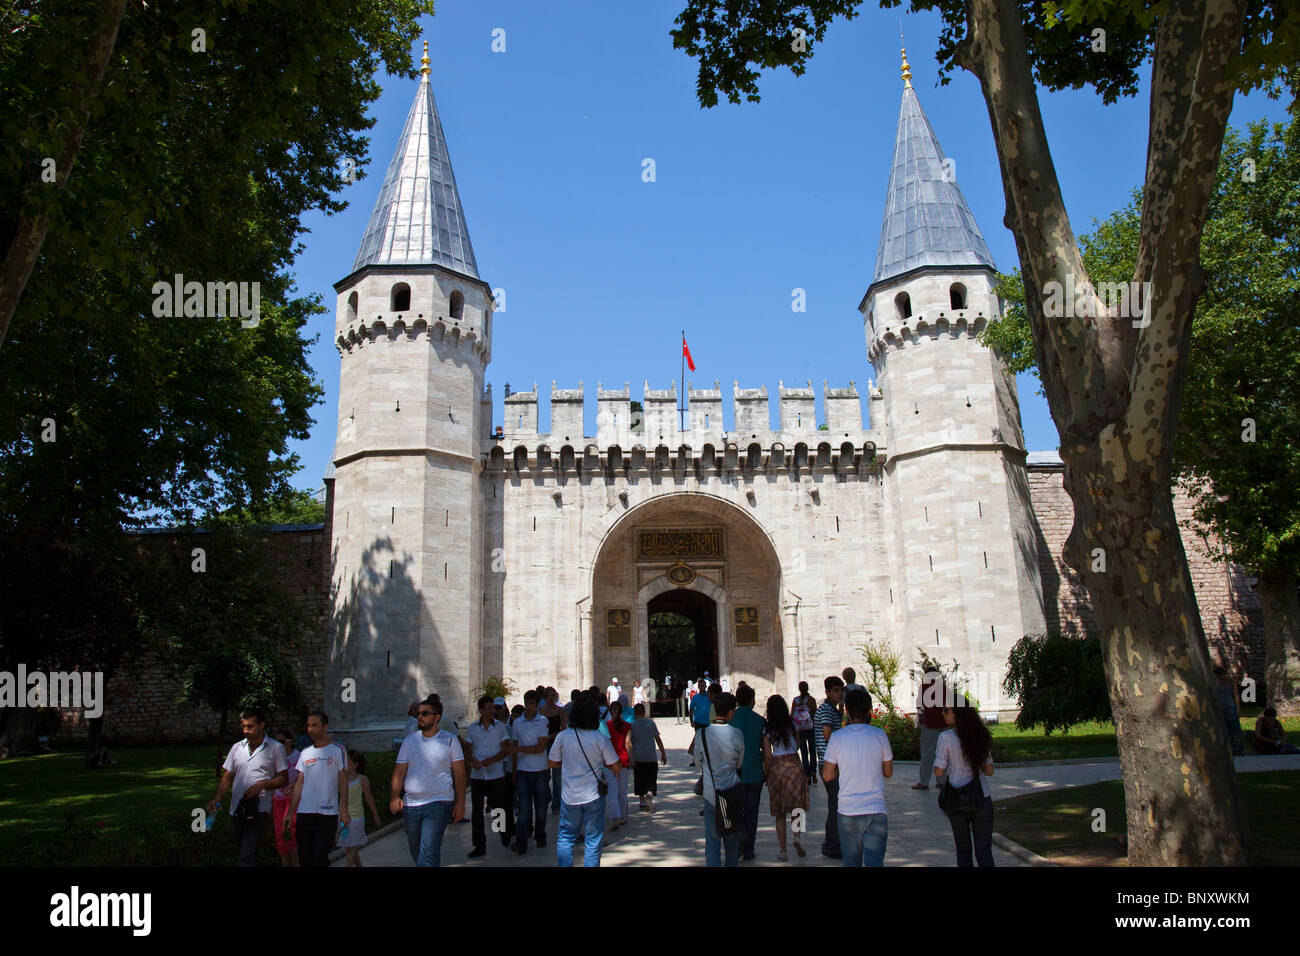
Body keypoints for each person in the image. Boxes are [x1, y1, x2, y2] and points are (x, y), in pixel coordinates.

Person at [390, 696, 467, 867]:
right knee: (417, 852)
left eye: (425, 713)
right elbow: (399, 770)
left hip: (439, 803)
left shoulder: (450, 740)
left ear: (437, 717)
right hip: (411, 805)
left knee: (429, 852)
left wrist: (460, 803)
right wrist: (395, 796)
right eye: (418, 713)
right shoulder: (410, 741)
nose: (420, 717)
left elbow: (460, 774)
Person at [207, 709, 288, 867]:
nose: (246, 731)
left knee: (246, 856)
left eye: (250, 726)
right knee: (244, 852)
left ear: (261, 725)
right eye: (244, 726)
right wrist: (216, 800)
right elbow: (227, 777)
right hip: (237, 808)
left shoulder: (275, 748)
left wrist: (262, 785)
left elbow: (283, 778)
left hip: (259, 809)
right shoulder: (237, 748)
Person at [822, 688, 893, 867]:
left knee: (851, 862)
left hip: (848, 811)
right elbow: (888, 772)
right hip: (876, 809)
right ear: (869, 711)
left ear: (846, 710)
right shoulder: (879, 735)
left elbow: (827, 775)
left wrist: (843, 768)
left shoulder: (837, 738)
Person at [548, 695, 621, 867]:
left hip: (570, 795)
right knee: (593, 842)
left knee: (565, 838)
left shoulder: (563, 737)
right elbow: (616, 765)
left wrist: (568, 762)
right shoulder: (599, 738)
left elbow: (552, 762)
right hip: (593, 795)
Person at [934, 698, 995, 866]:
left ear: (957, 713)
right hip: (981, 796)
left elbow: (938, 770)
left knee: (963, 850)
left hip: (956, 798)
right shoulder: (980, 734)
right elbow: (989, 770)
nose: (943, 713)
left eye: (946, 710)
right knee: (984, 852)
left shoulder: (945, 737)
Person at [287, 710, 349, 869]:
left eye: (314, 725)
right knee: (305, 857)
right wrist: (290, 813)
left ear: (325, 727)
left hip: (327, 813)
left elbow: (343, 781)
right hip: (304, 813)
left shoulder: (338, 750)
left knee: (319, 855)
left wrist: (344, 810)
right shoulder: (305, 753)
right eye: (308, 725)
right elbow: (300, 783)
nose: (310, 729)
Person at [698, 691, 744, 867]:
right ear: (731, 712)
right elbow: (739, 763)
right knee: (732, 842)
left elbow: (698, 761)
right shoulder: (737, 734)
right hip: (731, 793)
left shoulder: (702, 735)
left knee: (712, 842)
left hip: (711, 795)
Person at [762, 694, 808, 861]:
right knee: (798, 807)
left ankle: (783, 851)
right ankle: (797, 836)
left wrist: (766, 774)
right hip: (794, 764)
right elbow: (797, 745)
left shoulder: (767, 728)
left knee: (780, 812)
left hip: (777, 766)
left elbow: (768, 755)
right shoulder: (792, 724)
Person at [464, 694, 511, 857]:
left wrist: (493, 760)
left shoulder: (500, 727)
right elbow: (467, 749)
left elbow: (506, 748)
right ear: (482, 710)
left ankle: (503, 834)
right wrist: (473, 761)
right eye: (489, 708)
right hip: (478, 776)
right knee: (477, 812)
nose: (493, 711)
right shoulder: (472, 728)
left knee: (499, 808)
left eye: (493, 708)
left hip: (495, 775)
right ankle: (479, 845)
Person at [512, 689, 552, 853]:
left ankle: (540, 836)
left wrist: (519, 749)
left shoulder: (543, 721)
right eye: (526, 702)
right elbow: (514, 748)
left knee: (541, 807)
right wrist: (514, 770)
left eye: (532, 703)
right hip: (523, 770)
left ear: (537, 705)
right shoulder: (517, 723)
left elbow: (540, 747)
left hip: (540, 770)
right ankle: (521, 842)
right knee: (524, 808)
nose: (529, 706)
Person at [730, 682, 766, 860]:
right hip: (754, 772)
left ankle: (737, 846)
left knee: (737, 811)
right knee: (752, 812)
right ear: (752, 700)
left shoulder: (731, 720)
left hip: (735, 774)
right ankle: (749, 849)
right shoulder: (760, 720)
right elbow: (766, 749)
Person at [815, 676, 846, 858]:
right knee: (836, 804)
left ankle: (830, 843)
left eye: (841, 690)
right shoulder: (826, 711)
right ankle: (833, 845)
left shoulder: (831, 709)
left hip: (830, 762)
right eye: (836, 690)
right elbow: (828, 735)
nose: (840, 693)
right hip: (830, 763)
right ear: (827, 692)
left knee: (834, 803)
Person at [339, 749, 382, 866]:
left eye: (347, 762)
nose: (344, 764)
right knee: (350, 846)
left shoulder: (362, 779)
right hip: (343, 818)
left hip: (356, 818)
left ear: (355, 764)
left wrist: (375, 814)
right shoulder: (341, 779)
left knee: (350, 849)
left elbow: (369, 798)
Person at [913, 667, 947, 790]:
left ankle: (924, 781)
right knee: (943, 754)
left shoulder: (924, 688)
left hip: (930, 724)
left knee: (927, 754)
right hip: (943, 725)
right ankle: (942, 780)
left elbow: (919, 705)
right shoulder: (944, 688)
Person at [630, 702, 667, 812]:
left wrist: (630, 758)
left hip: (638, 757)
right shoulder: (651, 723)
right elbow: (658, 739)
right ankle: (649, 794)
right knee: (651, 779)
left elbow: (630, 743)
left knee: (639, 779)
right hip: (651, 756)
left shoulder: (632, 725)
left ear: (635, 713)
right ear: (644, 712)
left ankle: (642, 801)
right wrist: (663, 753)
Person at [272, 730, 301, 866]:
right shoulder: (275, 758)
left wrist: (295, 785)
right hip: (278, 799)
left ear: (290, 742)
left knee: (289, 830)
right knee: (279, 833)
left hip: (293, 799)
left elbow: (306, 778)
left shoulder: (299, 756)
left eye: (281, 741)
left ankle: (295, 863)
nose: (278, 745)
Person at [605, 698, 633, 828]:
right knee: (623, 790)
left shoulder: (607, 726)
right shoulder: (627, 726)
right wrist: (631, 759)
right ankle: (622, 815)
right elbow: (628, 743)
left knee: (612, 790)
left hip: (610, 761)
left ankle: (615, 816)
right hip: (623, 760)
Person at [541, 687, 568, 814]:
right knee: (544, 775)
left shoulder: (560, 710)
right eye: (548, 695)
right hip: (544, 744)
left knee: (557, 778)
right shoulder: (541, 711)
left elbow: (564, 728)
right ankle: (547, 797)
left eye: (553, 695)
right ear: (545, 697)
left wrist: (551, 737)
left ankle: (556, 806)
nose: (551, 698)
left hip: (556, 743)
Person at [1213, 665, 1246, 755]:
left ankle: (1238, 747)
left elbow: (1236, 696)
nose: (1220, 677)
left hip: (1229, 706)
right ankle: (1228, 746)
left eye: (1221, 675)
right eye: (1218, 675)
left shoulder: (1231, 682)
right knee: (1224, 728)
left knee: (1234, 728)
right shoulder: (1214, 682)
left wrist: (1238, 708)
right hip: (1219, 707)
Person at [791, 682, 817, 781]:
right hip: (810, 729)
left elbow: (792, 715)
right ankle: (813, 772)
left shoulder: (795, 700)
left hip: (800, 730)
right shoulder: (811, 700)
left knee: (804, 752)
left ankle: (806, 774)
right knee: (812, 751)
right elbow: (815, 713)